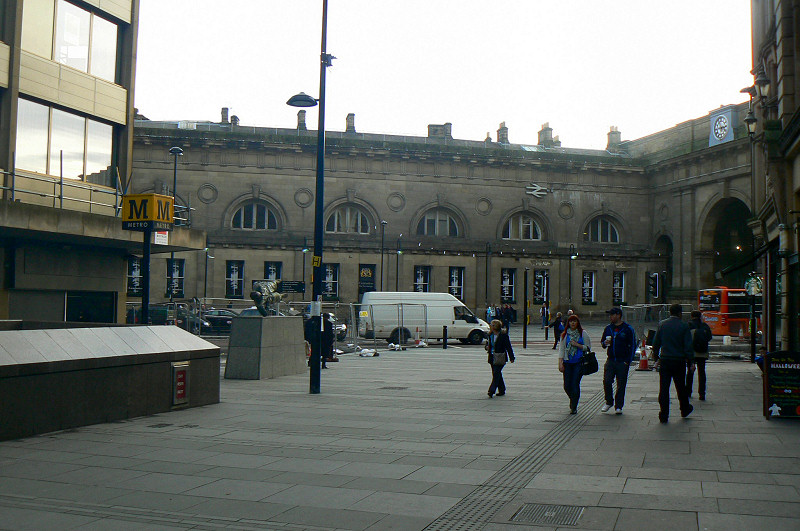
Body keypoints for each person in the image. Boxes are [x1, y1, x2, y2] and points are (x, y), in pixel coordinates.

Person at [652, 304, 694, 423]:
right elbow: (688, 346)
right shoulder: (684, 326)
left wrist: (656, 358)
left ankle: (664, 414)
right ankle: (684, 408)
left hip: (665, 360)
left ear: (670, 312)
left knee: (664, 388)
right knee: (681, 387)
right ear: (680, 313)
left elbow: (656, 344)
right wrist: (691, 361)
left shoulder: (662, 324)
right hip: (679, 360)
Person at [600, 307, 637, 414]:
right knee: (607, 381)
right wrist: (604, 344)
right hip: (611, 359)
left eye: (612, 315)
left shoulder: (627, 328)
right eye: (610, 315)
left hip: (622, 361)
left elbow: (633, 346)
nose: (610, 317)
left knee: (621, 384)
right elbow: (602, 342)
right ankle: (609, 401)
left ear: (618, 315)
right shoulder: (608, 328)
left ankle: (619, 406)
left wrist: (628, 361)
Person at [558, 314, 592, 414]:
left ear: (578, 323)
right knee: (567, 385)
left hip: (578, 362)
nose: (573, 323)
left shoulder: (583, 333)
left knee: (575, 384)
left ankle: (574, 406)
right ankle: (573, 399)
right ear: (568, 323)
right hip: (567, 362)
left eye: (574, 321)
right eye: (571, 321)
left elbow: (588, 347)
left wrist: (578, 345)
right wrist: (560, 363)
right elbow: (562, 349)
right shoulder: (565, 335)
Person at [686, 310, 712, 400]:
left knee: (690, 372)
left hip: (691, 353)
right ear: (700, 316)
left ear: (691, 316)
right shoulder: (705, 326)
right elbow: (709, 337)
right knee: (702, 373)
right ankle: (702, 394)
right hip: (702, 353)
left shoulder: (688, 325)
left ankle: (688, 392)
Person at [486, 319, 515, 397]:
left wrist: (511, 357)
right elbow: (488, 344)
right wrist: (487, 347)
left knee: (496, 373)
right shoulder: (490, 335)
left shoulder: (503, 335)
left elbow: (508, 347)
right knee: (497, 373)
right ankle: (502, 389)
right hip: (492, 356)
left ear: (495, 326)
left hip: (500, 356)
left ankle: (491, 390)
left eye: (491, 325)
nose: (490, 326)